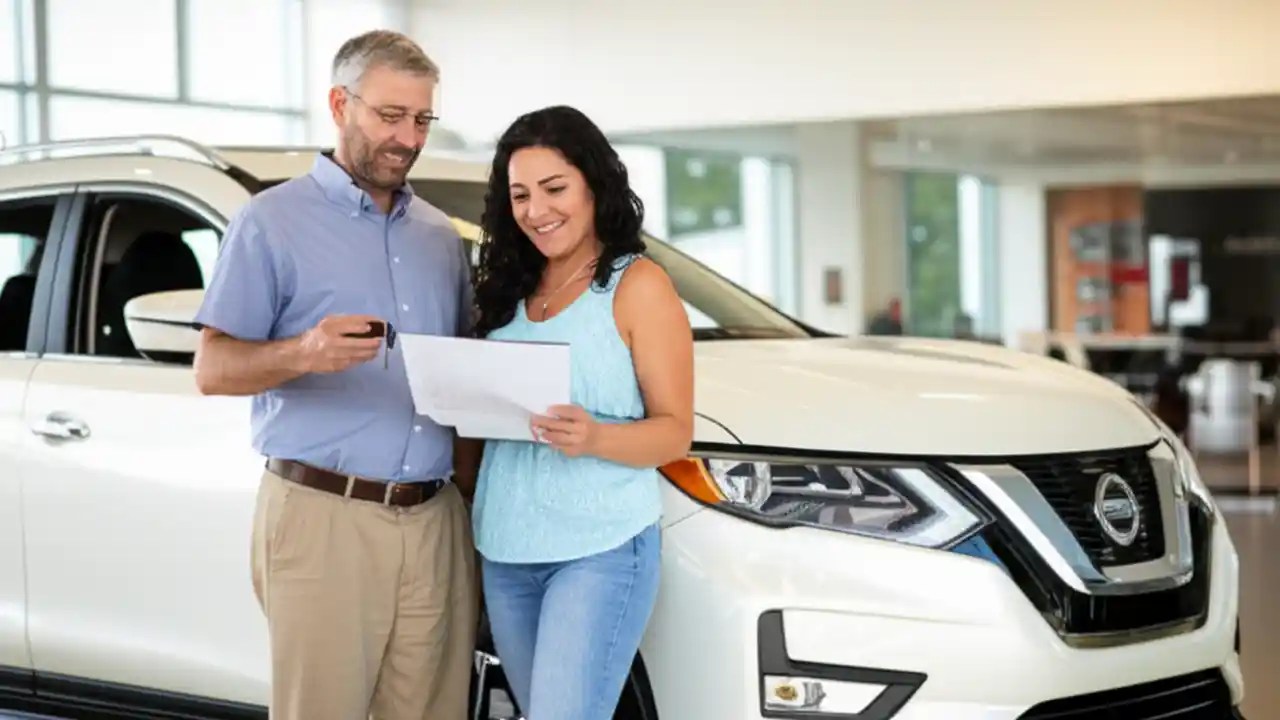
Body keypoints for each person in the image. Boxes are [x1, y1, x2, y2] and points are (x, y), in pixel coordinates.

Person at [192, 29, 478, 720]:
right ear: (339, 104)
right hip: (325, 517)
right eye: (390, 115)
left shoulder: (441, 237)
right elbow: (212, 367)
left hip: (436, 521)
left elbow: (466, 382)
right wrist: (302, 353)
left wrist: (469, 515)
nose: (408, 137)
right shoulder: (270, 222)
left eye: (421, 120)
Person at [465, 105, 695, 719]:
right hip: (506, 549)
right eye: (519, 195)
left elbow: (676, 431)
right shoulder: (506, 291)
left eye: (554, 188)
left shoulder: (638, 286)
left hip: (600, 550)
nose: (536, 210)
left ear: (594, 184)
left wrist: (594, 436)